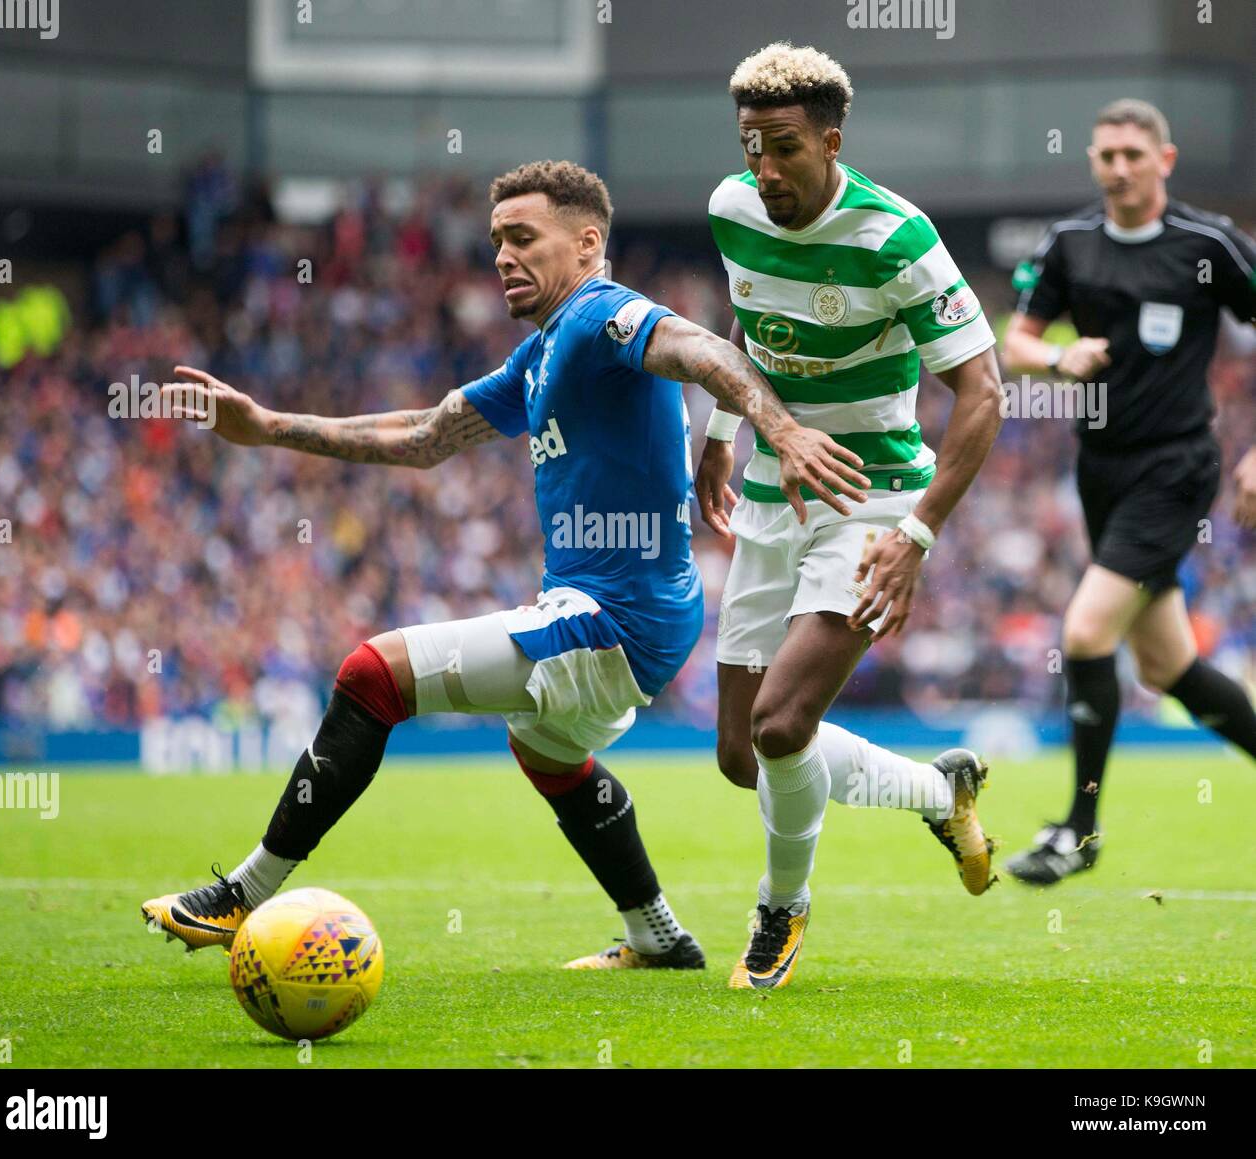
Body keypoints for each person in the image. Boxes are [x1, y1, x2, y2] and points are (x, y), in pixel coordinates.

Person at [142, 159, 854, 970]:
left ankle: (242, 894)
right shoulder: (543, 352)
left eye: (523, 237)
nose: (503, 257)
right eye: (496, 242)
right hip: (608, 611)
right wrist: (270, 426)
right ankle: (658, 936)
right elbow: (424, 435)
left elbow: (699, 349)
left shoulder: (603, 314)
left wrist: (778, 429)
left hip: (617, 619)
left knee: (372, 674)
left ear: (588, 243)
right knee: (546, 751)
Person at [696, 43, 1005, 990]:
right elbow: (751, 317)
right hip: (770, 489)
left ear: (831, 139)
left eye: (784, 148)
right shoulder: (731, 207)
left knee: (785, 726)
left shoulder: (897, 237)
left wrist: (915, 536)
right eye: (752, 147)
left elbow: (984, 393)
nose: (765, 170)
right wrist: (718, 426)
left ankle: (780, 914)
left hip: (870, 495)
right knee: (741, 755)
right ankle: (939, 791)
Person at [1003, 99, 1256, 885]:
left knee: (1084, 633)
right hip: (1100, 470)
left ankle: (1077, 831)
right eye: (1105, 154)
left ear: (1164, 160)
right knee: (1168, 666)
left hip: (1177, 467)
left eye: (1132, 155)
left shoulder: (1207, 244)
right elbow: (1016, 342)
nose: (1117, 167)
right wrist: (1058, 360)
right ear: (1092, 159)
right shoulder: (1069, 244)